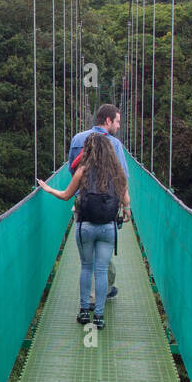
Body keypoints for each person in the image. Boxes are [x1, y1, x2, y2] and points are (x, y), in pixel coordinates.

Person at [37, 133, 131, 330]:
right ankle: (98, 316)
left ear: (88, 150)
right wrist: (126, 210)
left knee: (86, 267)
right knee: (102, 270)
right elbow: (126, 200)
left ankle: (83, 312)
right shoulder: (118, 172)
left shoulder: (83, 171)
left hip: (85, 226)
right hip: (108, 227)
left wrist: (47, 189)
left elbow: (65, 196)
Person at [66, 104, 128, 301]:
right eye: (117, 121)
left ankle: (87, 303)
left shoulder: (77, 139)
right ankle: (102, 293)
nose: (118, 126)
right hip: (107, 206)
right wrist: (126, 206)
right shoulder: (115, 145)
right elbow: (122, 179)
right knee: (103, 253)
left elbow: (72, 170)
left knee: (86, 257)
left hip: (83, 204)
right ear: (108, 121)